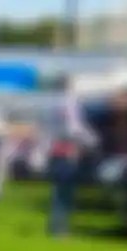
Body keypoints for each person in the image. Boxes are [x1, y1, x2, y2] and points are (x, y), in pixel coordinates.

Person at [47, 77, 95, 238]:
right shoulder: (69, 104)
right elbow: (74, 128)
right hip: (67, 151)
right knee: (65, 191)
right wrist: (92, 140)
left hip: (56, 150)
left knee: (60, 190)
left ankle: (56, 225)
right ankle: (60, 228)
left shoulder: (54, 103)